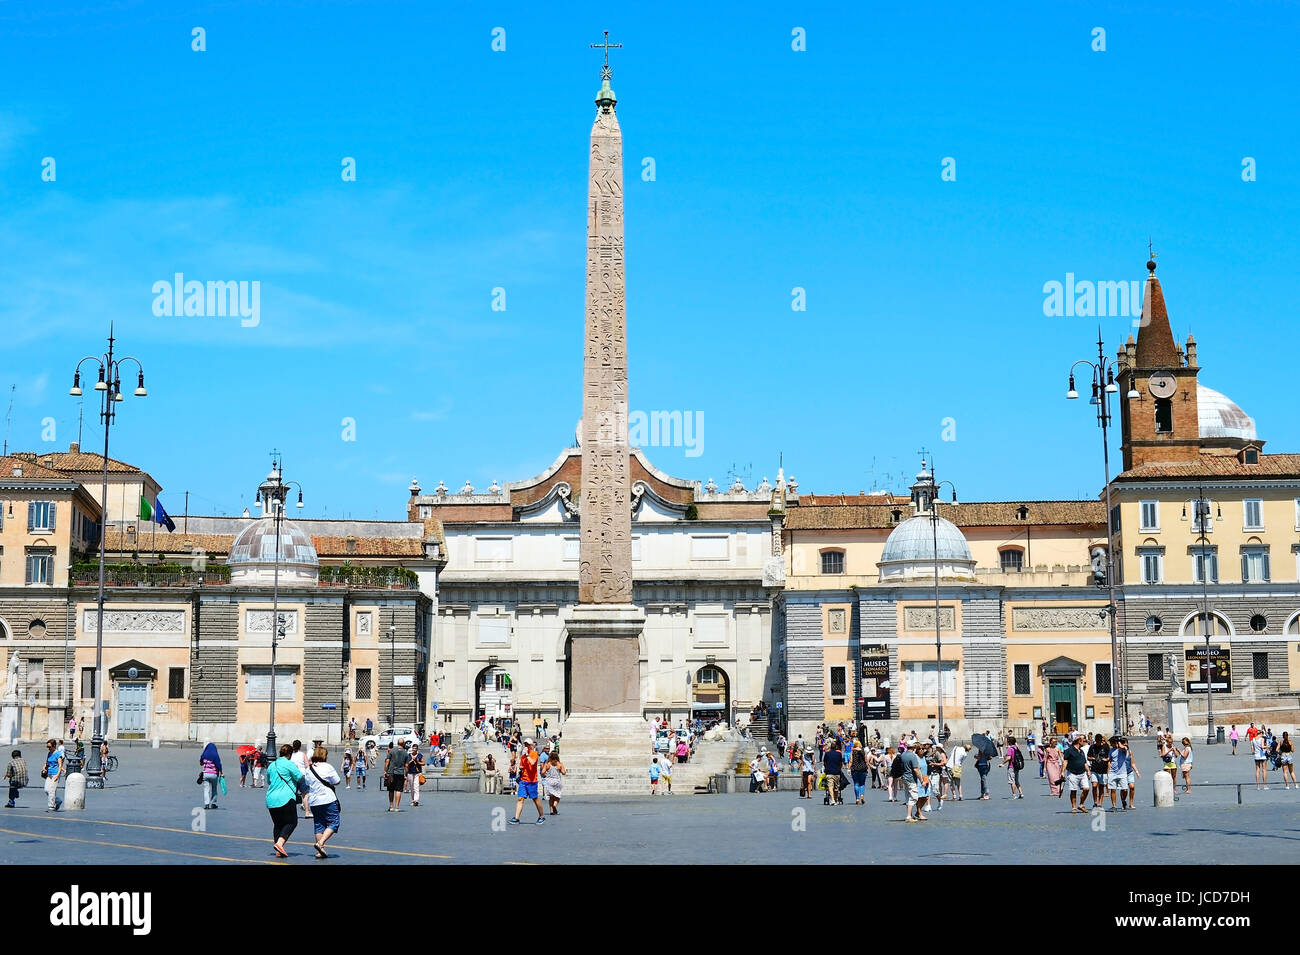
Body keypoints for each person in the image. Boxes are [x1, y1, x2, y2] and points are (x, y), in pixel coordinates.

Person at [265, 744, 304, 858]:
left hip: (271, 798)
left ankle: (278, 849)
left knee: (278, 825)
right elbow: (299, 776)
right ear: (290, 754)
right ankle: (280, 844)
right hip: (286, 797)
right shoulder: (289, 764)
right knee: (292, 822)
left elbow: (269, 781)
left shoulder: (272, 765)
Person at [304, 746, 342, 859]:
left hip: (314, 801)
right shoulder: (327, 767)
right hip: (328, 799)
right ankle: (320, 844)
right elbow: (337, 781)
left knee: (319, 825)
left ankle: (320, 851)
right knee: (334, 823)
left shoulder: (309, 769)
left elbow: (307, 783)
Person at [510, 739, 545, 825]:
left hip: (532, 781)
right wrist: (521, 768)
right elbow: (521, 766)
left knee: (535, 799)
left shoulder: (534, 754)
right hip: (523, 780)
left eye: (528, 744)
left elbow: (533, 763)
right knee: (520, 798)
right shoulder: (523, 757)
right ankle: (516, 818)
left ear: (531, 745)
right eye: (525, 744)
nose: (526, 746)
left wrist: (527, 754)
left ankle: (542, 816)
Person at [897, 742, 928, 823]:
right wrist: (921, 780)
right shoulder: (913, 756)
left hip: (904, 777)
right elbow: (916, 770)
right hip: (911, 778)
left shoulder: (903, 754)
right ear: (914, 747)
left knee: (908, 796)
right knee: (914, 797)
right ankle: (908, 816)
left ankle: (909, 815)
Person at [1063, 735, 1090, 813]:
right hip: (1072, 773)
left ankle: (1081, 804)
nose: (1084, 742)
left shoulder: (1081, 751)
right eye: (1083, 740)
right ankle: (1074, 807)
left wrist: (1088, 771)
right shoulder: (1069, 750)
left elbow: (1084, 762)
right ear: (1079, 741)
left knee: (1086, 789)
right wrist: (1062, 772)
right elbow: (1065, 761)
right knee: (1073, 790)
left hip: (1082, 772)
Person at [384, 741, 409, 812]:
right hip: (400, 773)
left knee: (391, 790)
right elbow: (406, 766)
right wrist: (406, 774)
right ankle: (397, 807)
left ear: (397, 743)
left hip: (391, 772)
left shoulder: (392, 751)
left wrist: (385, 771)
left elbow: (387, 761)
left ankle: (391, 806)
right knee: (398, 790)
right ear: (403, 744)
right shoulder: (405, 753)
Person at [199, 741, 223, 810]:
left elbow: (201, 763)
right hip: (214, 774)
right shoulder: (215, 755)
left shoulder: (204, 755)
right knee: (214, 789)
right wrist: (221, 772)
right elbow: (219, 765)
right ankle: (213, 803)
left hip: (206, 774)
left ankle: (206, 804)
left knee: (206, 789)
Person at [41, 739, 63, 812]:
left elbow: (60, 765)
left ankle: (51, 806)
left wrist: (58, 775)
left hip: (55, 774)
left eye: (49, 747)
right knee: (46, 790)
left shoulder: (58, 754)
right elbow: (47, 762)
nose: (48, 748)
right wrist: (44, 767)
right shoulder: (49, 753)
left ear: (54, 746)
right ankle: (58, 801)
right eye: (47, 746)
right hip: (49, 774)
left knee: (52, 791)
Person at [1088, 733, 1109, 807]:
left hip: (1103, 769)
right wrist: (1093, 758)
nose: (1098, 743)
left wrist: (1106, 759)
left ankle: (1100, 802)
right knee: (1094, 786)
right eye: (1097, 741)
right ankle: (1095, 801)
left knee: (1101, 786)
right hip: (1094, 769)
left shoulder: (1106, 747)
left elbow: (1109, 757)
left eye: (1099, 741)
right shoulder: (1092, 747)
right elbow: (1088, 757)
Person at [822, 739, 844, 806]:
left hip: (829, 772)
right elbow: (841, 763)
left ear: (831, 747)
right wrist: (839, 769)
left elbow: (824, 762)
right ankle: (835, 799)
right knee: (836, 787)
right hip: (837, 772)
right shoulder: (839, 754)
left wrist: (826, 768)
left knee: (830, 787)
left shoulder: (827, 754)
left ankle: (833, 800)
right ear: (836, 747)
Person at [544, 749, 566, 814]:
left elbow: (542, 772)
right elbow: (564, 772)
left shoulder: (547, 764)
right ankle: (554, 806)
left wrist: (547, 775)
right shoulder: (559, 764)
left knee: (551, 797)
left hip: (549, 781)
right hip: (557, 781)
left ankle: (551, 811)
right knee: (557, 796)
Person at [850, 740, 869, 805]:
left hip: (854, 768)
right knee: (862, 784)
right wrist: (867, 768)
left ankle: (857, 798)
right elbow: (866, 760)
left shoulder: (852, 751)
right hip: (863, 768)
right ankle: (862, 795)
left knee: (856, 783)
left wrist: (848, 769)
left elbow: (851, 761)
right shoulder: (863, 751)